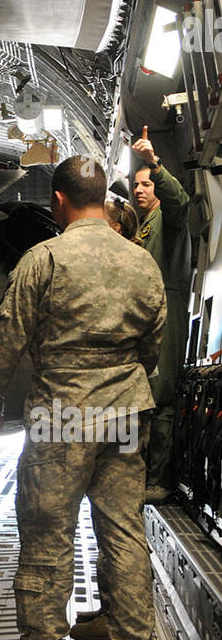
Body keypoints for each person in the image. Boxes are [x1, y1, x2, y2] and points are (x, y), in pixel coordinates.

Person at [0, 156, 166, 640]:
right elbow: (152, 346)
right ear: (104, 197)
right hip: (126, 414)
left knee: (47, 533)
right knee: (124, 532)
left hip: (61, 416)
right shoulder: (141, 262)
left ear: (58, 200)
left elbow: (8, 338)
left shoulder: (44, 259)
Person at [131, 127, 191, 503]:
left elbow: (179, 201)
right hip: (148, 317)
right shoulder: (144, 227)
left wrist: (154, 163)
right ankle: (144, 474)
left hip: (165, 314)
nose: (139, 189)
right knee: (147, 396)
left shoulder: (167, 222)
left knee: (162, 396)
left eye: (146, 185)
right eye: (136, 184)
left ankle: (160, 480)